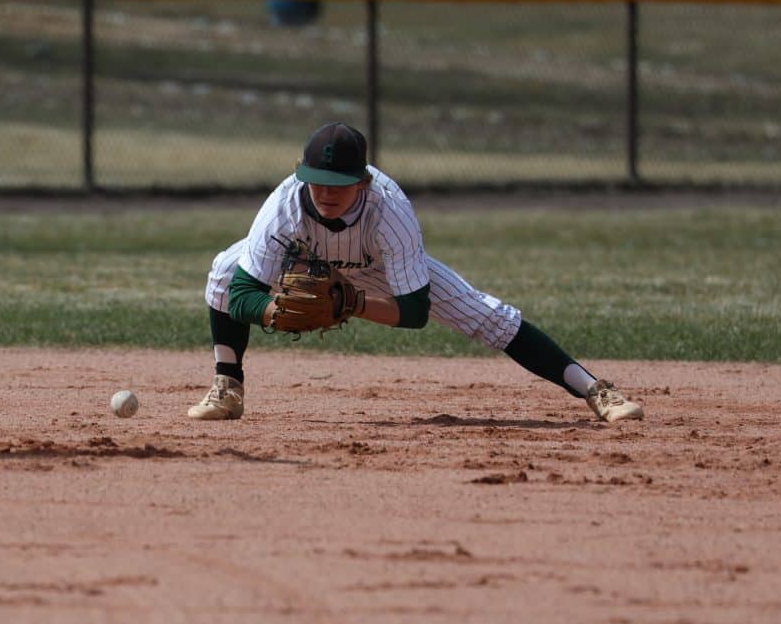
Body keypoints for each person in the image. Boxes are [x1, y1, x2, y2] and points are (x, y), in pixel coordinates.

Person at [189, 122, 644, 424]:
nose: (325, 191)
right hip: (301, 262)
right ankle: (228, 386)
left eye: (340, 183)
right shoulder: (283, 207)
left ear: (363, 183)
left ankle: (597, 391)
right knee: (223, 272)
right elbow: (245, 288)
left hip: (379, 271)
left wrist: (353, 303)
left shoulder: (391, 210)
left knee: (487, 315)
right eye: (316, 179)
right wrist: (272, 312)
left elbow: (414, 311)